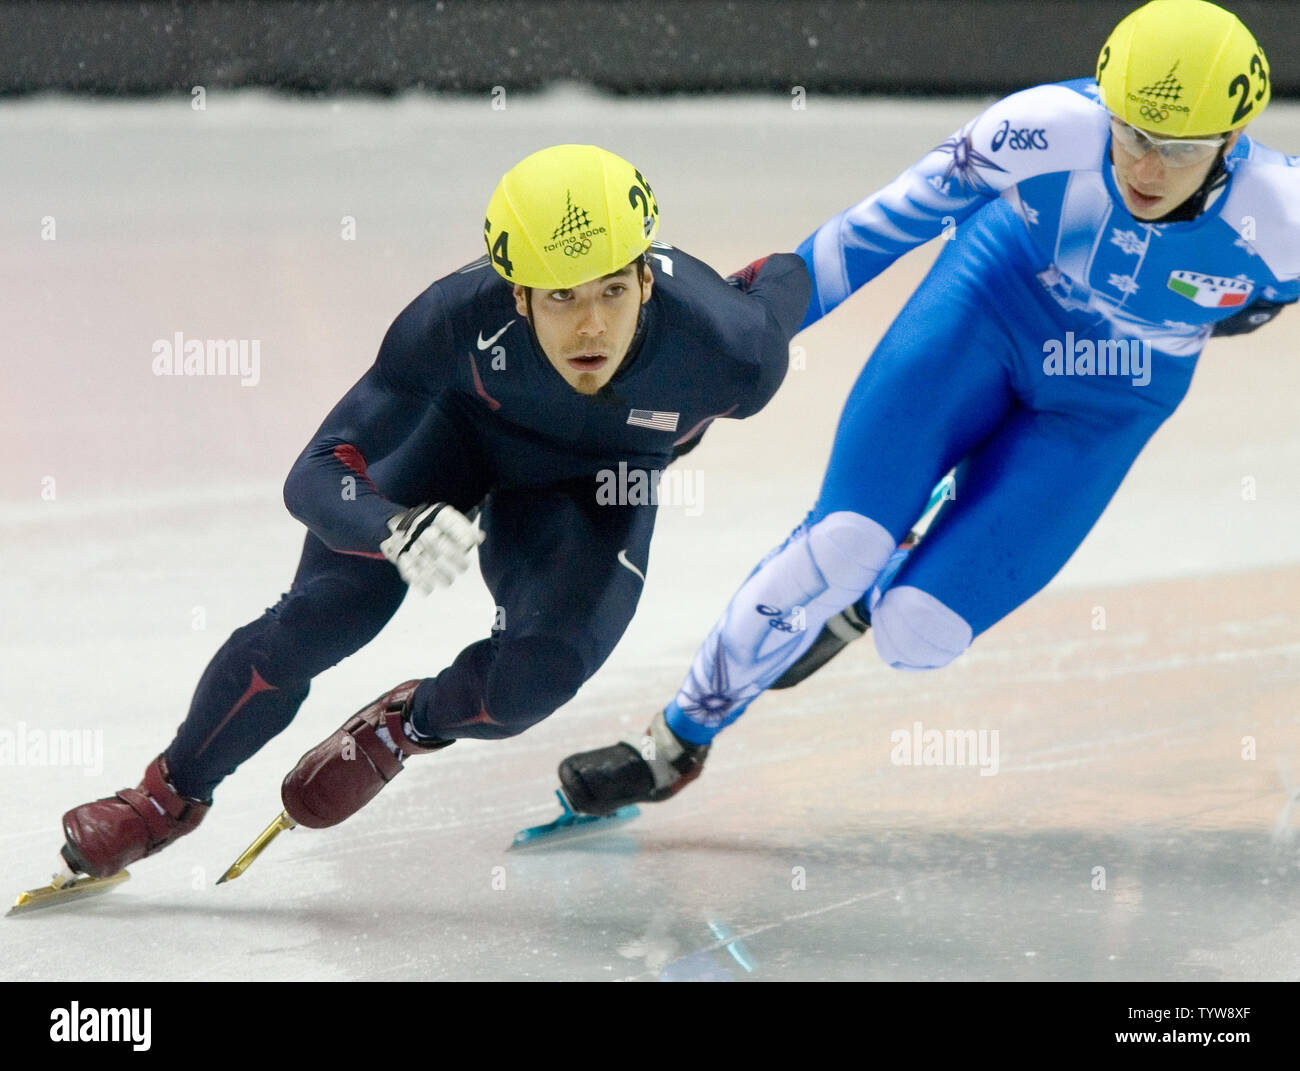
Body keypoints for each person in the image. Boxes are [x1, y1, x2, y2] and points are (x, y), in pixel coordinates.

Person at [557, 0, 1300, 816]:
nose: (1145, 169)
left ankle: (872, 598)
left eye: (1179, 149)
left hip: (1116, 391)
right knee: (843, 541)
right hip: (993, 302)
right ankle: (672, 743)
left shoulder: (1284, 218)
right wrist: (728, 355)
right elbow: (869, 233)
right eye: (1130, 132)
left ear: (1234, 139)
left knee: (919, 636)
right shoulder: (1042, 129)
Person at [56, 144, 811, 877]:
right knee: (324, 615)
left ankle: (407, 724)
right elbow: (315, 472)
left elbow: (786, 275)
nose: (591, 327)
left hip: (595, 479)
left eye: (613, 289)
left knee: (533, 683)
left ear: (647, 279)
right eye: (560, 296)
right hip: (454, 439)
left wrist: (707, 348)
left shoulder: (733, 350)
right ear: (514, 292)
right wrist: (394, 524)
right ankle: (163, 798)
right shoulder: (452, 319)